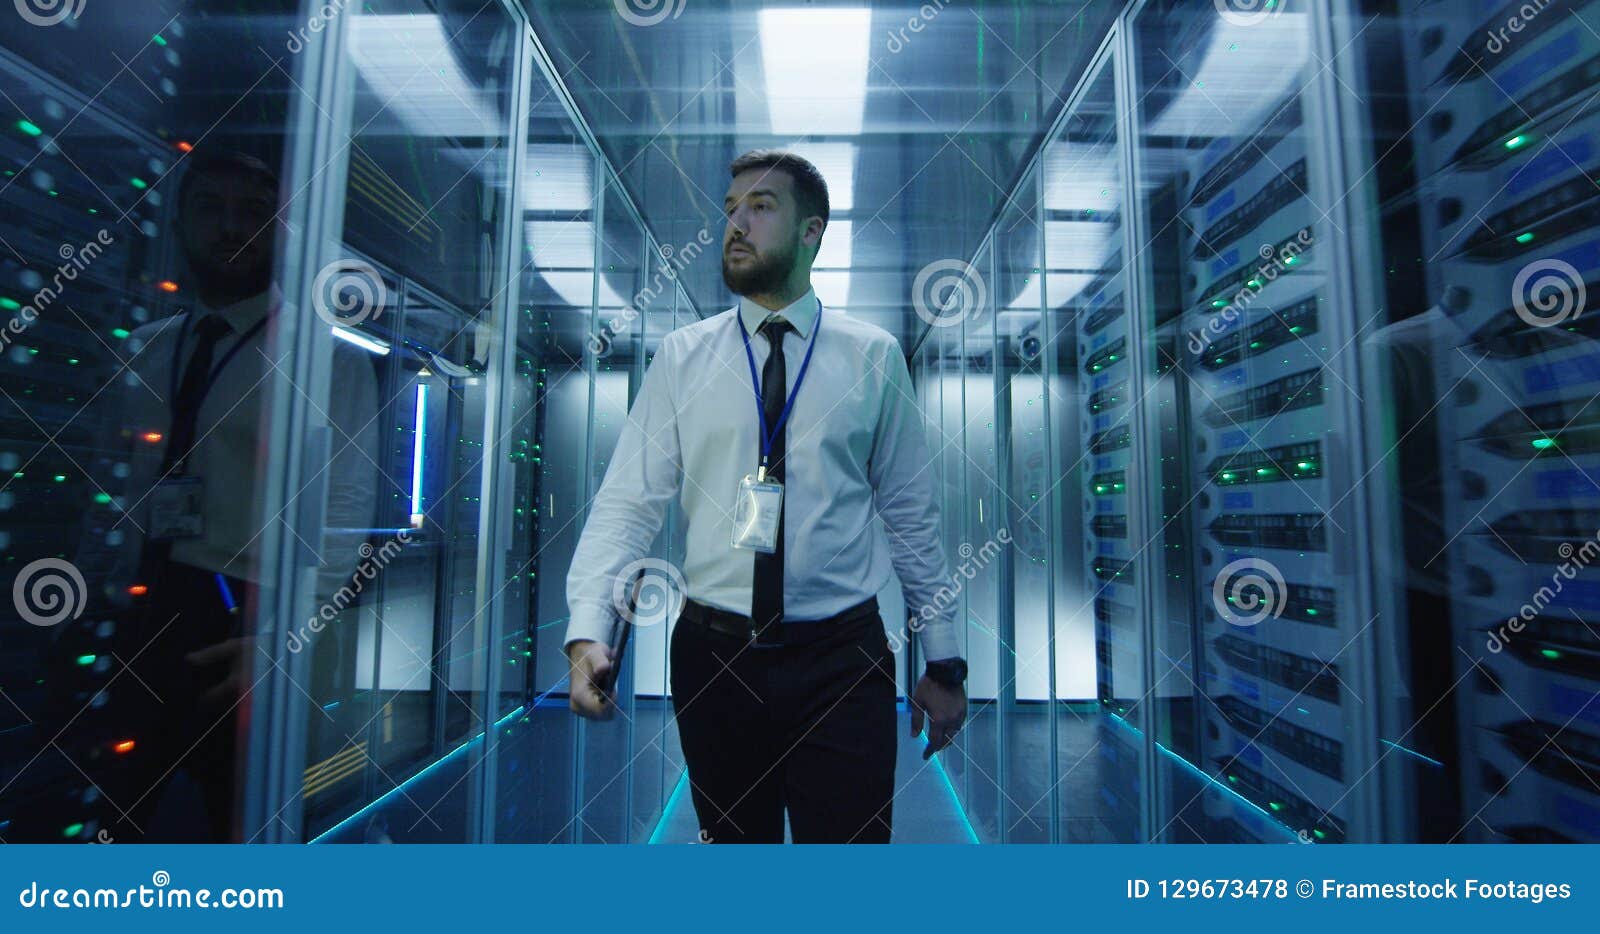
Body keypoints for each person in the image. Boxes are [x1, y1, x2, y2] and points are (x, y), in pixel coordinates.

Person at [564, 149, 968, 843]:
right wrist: (587, 632)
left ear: (812, 231)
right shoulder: (683, 357)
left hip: (843, 660)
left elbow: (910, 517)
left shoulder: (872, 356)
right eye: (729, 211)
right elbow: (628, 502)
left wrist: (945, 661)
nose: (735, 225)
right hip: (714, 661)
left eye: (760, 207)